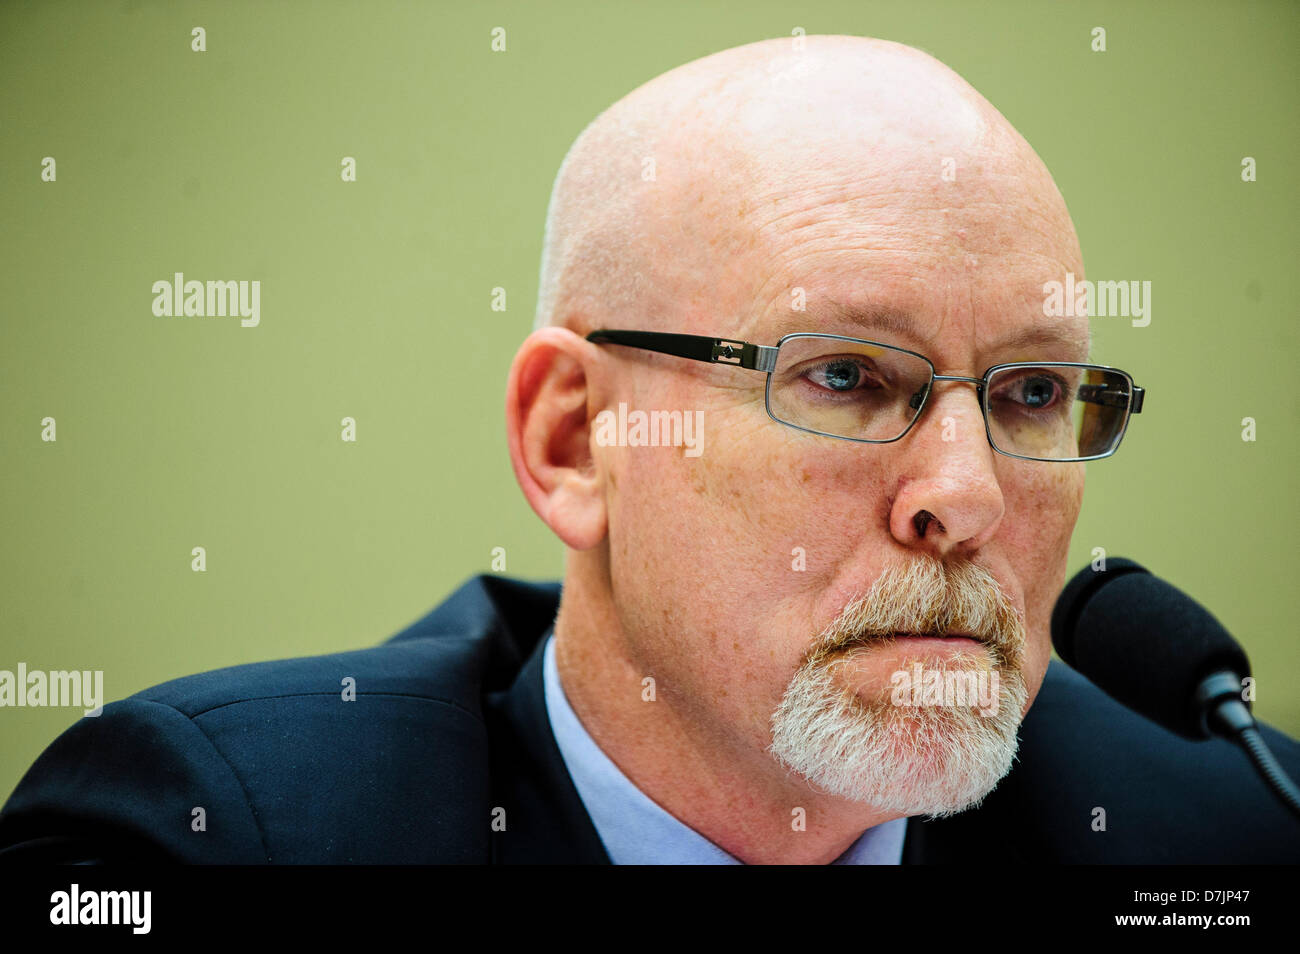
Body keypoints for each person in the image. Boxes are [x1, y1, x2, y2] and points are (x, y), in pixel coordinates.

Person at [1, 35, 1296, 864]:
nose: (965, 496)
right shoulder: (219, 837)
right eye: (845, 374)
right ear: (574, 439)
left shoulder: (1224, 831)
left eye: (1027, 394)